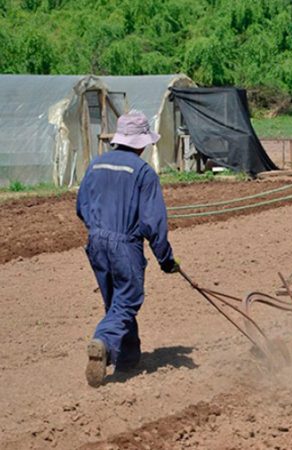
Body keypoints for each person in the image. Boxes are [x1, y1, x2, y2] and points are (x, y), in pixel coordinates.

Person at [77, 110, 179, 387]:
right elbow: (153, 222)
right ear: (141, 143)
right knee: (129, 298)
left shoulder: (95, 165)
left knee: (116, 301)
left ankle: (127, 358)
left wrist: (99, 229)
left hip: (96, 240)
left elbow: (81, 207)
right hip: (125, 244)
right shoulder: (144, 173)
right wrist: (166, 258)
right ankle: (103, 341)